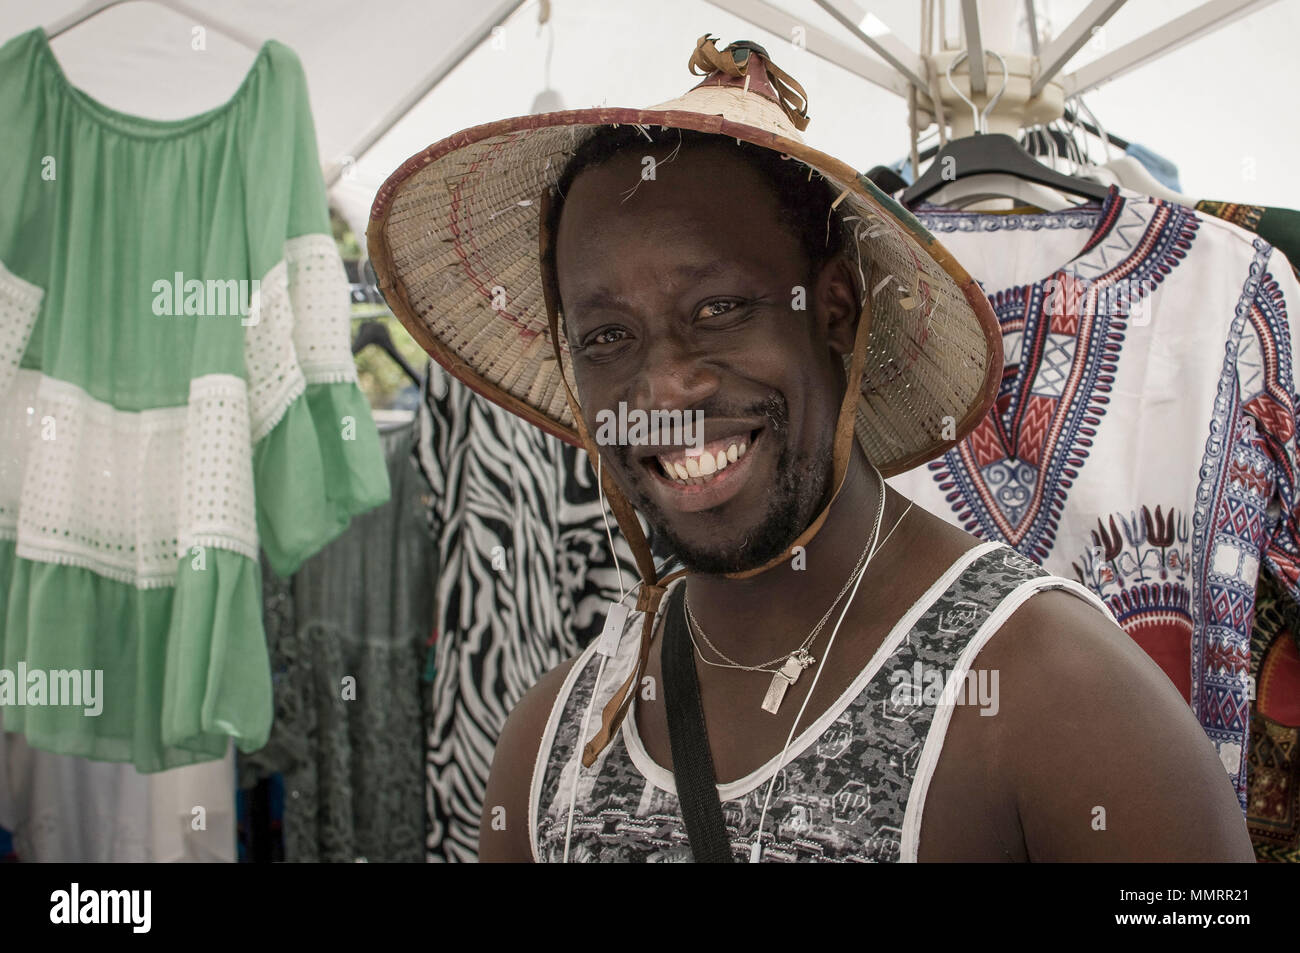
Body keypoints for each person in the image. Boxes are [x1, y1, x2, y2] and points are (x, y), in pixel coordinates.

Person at [369, 36, 1253, 862]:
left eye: (718, 309)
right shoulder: (550, 747)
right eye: (606, 338)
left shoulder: (1058, 700)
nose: (663, 391)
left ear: (835, 310)